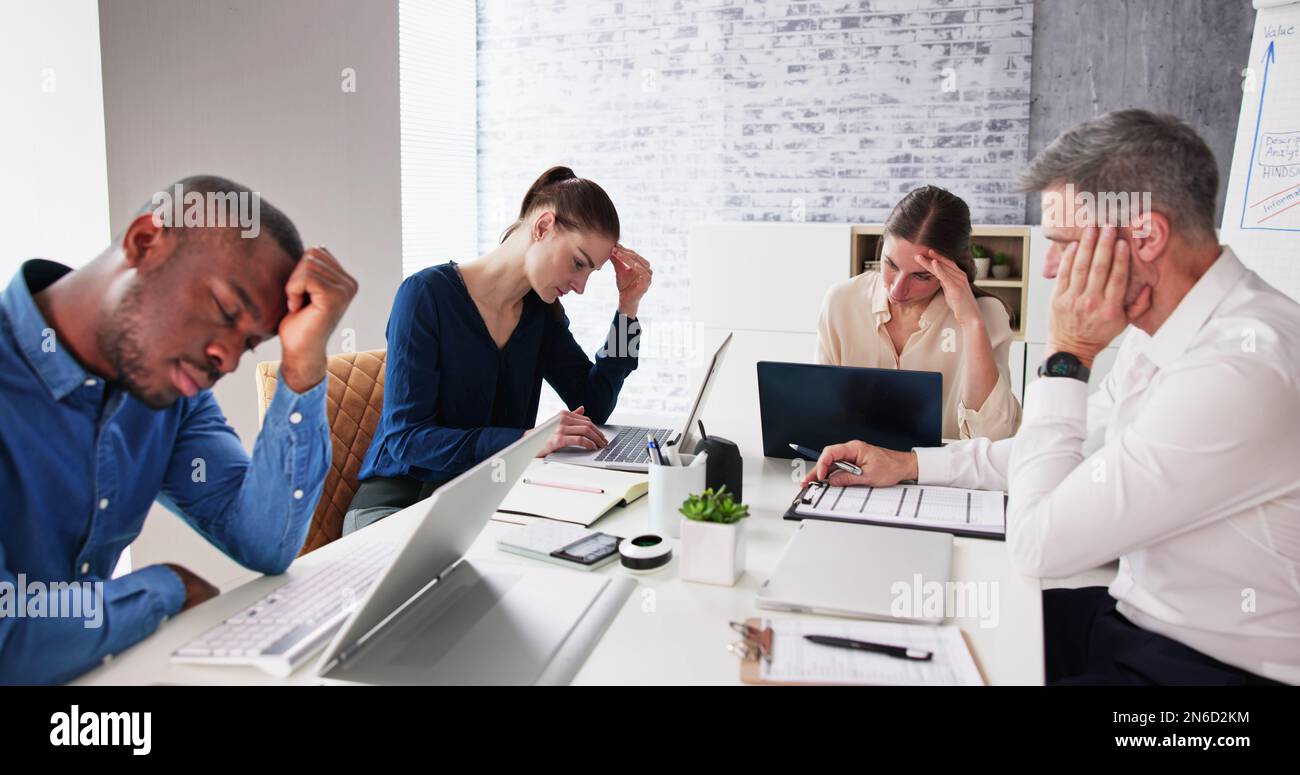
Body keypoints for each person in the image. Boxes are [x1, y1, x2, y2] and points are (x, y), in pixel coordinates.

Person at [804, 110, 1300, 685]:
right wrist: (911, 464)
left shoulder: (1242, 366)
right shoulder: (1168, 332)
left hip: (1209, 675)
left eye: (1065, 244)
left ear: (1147, 237)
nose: (1050, 270)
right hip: (1129, 620)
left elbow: (1037, 546)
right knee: (898, 637)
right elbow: (1071, 447)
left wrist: (1069, 355)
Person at [0, 175, 358, 684]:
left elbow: (264, 543)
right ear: (145, 242)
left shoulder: (167, 396)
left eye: (251, 343)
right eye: (225, 311)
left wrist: (302, 361)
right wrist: (165, 587)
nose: (228, 359)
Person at [347, 166, 653, 533]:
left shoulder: (539, 314)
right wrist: (524, 443)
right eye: (577, 263)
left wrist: (628, 307)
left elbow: (595, 404)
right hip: (399, 505)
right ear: (543, 227)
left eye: (590, 272)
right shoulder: (425, 296)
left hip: (483, 504)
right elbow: (406, 442)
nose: (581, 286)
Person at [816, 185, 1021, 440]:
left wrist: (970, 323)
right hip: (855, 471)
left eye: (921, 275)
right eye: (890, 264)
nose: (898, 290)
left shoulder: (987, 316)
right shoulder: (842, 301)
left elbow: (993, 439)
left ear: (953, 268)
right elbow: (822, 418)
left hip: (944, 477)